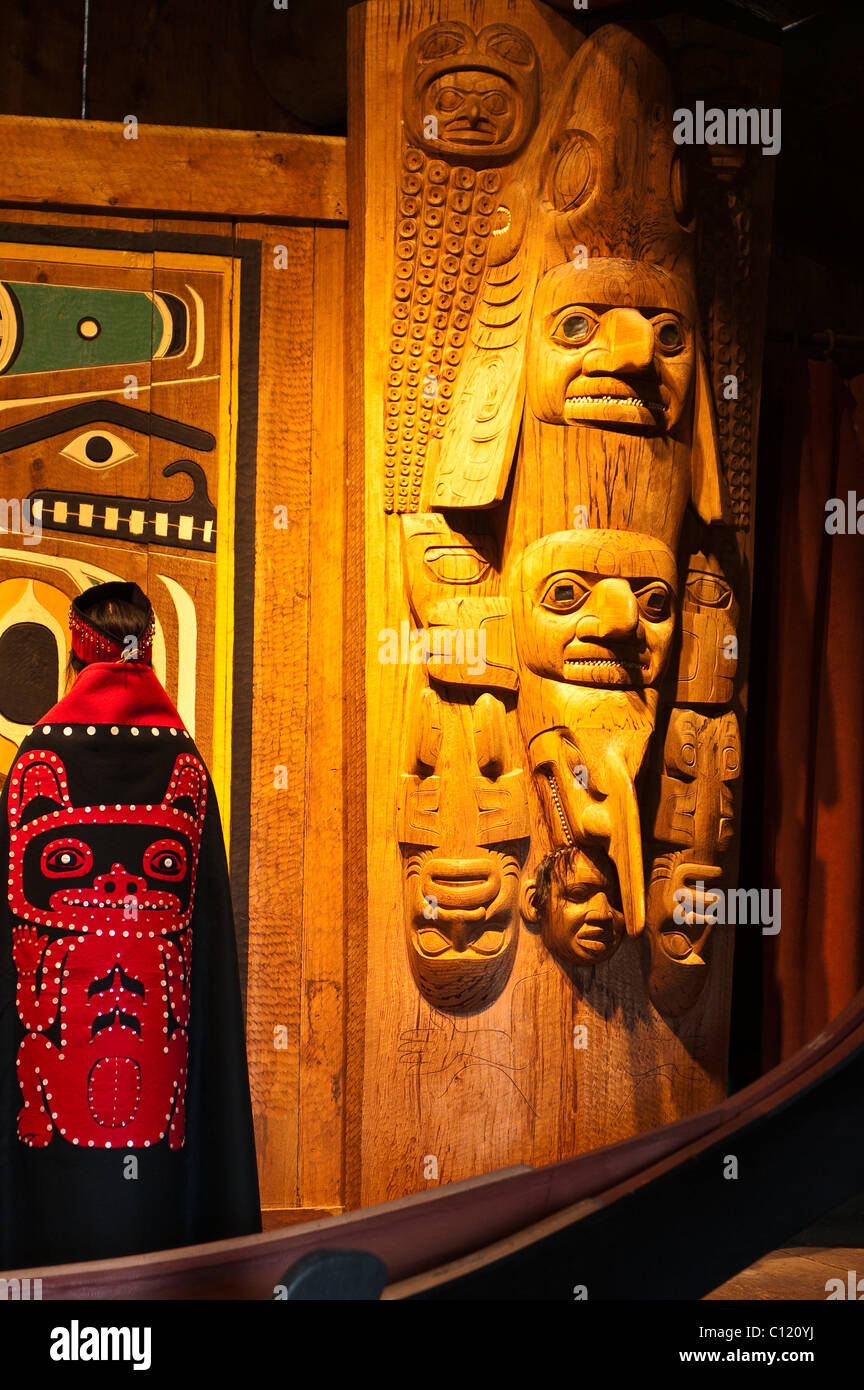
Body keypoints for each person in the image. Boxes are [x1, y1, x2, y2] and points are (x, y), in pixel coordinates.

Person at [0, 582, 260, 1269]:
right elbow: (207, 947)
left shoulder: (34, 762)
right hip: (162, 1088)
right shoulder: (187, 767)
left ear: (76, 655)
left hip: (51, 1084)